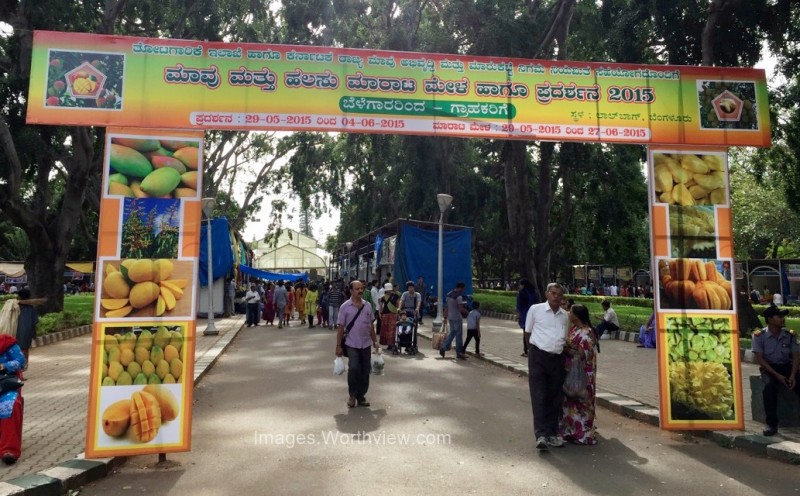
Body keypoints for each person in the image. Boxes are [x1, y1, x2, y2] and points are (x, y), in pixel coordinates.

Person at [526, 282, 569, 450]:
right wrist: (532, 352)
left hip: (557, 359)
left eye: (559, 294)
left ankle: (552, 433)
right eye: (553, 293)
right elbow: (527, 332)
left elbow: (564, 337)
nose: (556, 297)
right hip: (538, 357)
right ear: (546, 294)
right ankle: (541, 435)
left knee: (554, 397)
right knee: (539, 395)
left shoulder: (565, 315)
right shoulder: (535, 310)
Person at [752, 306, 800, 436]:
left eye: (783, 316)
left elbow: (796, 356)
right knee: (769, 388)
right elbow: (761, 360)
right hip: (769, 369)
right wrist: (777, 375)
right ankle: (771, 424)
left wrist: (793, 375)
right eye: (779, 317)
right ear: (769, 319)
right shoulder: (759, 336)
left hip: (787, 367)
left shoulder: (789, 335)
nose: (782, 319)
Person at [335, 280, 378, 408]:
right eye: (357, 289)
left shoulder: (368, 306)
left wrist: (375, 342)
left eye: (361, 288)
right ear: (351, 291)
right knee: (353, 369)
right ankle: (352, 396)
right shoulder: (345, 307)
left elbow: (371, 326)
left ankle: (361, 396)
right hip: (351, 343)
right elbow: (341, 328)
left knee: (365, 370)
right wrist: (338, 346)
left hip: (366, 344)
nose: (360, 291)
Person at [559, 304, 599, 445]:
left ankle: (584, 434)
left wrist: (565, 349)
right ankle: (570, 431)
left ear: (576, 315)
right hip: (571, 373)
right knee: (570, 401)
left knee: (582, 402)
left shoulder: (586, 333)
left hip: (583, 375)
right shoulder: (574, 329)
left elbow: (582, 355)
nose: (568, 313)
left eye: (571, 311)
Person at [0, 334, 25, 464]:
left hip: (4, 385)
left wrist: (4, 366)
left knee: (9, 405)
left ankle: (8, 450)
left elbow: (20, 361)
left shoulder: (5, 342)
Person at [15, 289, 39, 379]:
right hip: (26, 334)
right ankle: (21, 373)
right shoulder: (31, 308)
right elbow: (34, 322)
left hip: (14, 333)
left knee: (15, 352)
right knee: (24, 352)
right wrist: (34, 334)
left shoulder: (14, 307)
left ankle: (16, 374)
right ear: (29, 297)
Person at [440, 281, 468, 360]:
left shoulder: (449, 294)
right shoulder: (459, 297)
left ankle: (443, 347)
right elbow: (460, 308)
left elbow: (446, 307)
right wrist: (468, 313)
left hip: (450, 317)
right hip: (457, 317)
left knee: (452, 332)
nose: (463, 290)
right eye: (462, 289)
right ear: (461, 288)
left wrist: (445, 317)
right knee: (458, 335)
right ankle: (459, 352)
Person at [516, 280, 539, 357]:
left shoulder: (521, 293)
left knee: (526, 333)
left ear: (523, 285)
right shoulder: (534, 292)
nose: (519, 286)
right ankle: (534, 350)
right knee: (534, 332)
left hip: (525, 314)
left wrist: (518, 315)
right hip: (534, 315)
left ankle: (526, 351)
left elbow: (519, 305)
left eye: (520, 285)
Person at [379, 283, 400, 351]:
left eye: (389, 290)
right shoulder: (383, 297)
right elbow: (381, 306)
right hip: (385, 314)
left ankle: (392, 344)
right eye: (387, 290)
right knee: (385, 330)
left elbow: (398, 304)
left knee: (392, 330)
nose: (389, 291)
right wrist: (380, 313)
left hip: (393, 314)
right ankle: (388, 344)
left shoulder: (396, 296)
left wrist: (398, 310)